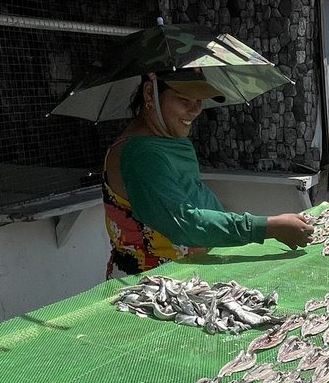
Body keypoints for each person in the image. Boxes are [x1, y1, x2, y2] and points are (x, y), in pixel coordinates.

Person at [102, 69, 313, 277]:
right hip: (155, 284)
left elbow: (191, 197)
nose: (195, 110)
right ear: (150, 93)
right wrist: (268, 227)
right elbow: (184, 224)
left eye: (199, 100)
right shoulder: (142, 155)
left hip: (189, 268)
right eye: (184, 99)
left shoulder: (164, 139)